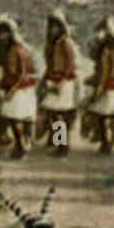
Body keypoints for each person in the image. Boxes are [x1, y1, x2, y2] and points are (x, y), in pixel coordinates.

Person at [0, 15, 36, 159]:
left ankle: (60, 144)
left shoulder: (19, 50)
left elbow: (23, 72)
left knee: (58, 116)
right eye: (0, 33)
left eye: (5, 33)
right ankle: (19, 144)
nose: (1, 36)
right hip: (12, 86)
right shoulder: (2, 51)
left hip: (21, 87)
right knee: (10, 118)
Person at [37, 11, 77, 157]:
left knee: (58, 114)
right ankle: (57, 141)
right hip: (52, 80)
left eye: (55, 27)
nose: (52, 30)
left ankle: (62, 146)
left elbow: (70, 64)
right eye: (50, 27)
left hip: (63, 82)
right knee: (52, 113)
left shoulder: (65, 43)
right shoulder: (51, 44)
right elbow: (50, 64)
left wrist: (62, 81)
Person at [84, 17, 114, 154]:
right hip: (107, 87)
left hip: (105, 88)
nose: (97, 35)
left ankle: (60, 144)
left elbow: (104, 73)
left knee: (59, 115)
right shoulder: (111, 49)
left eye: (99, 31)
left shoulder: (106, 51)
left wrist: (97, 92)